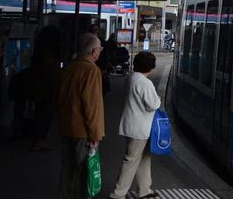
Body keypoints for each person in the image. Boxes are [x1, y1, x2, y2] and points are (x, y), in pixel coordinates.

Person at [57, 33, 105, 199]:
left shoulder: (69, 68)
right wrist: (95, 134)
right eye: (99, 49)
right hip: (83, 131)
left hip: (66, 126)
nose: (100, 52)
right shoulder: (91, 70)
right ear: (93, 51)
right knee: (84, 172)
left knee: (67, 169)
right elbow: (92, 106)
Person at [109, 51, 162, 199]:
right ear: (151, 67)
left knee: (144, 158)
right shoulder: (145, 82)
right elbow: (153, 104)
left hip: (132, 125)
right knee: (131, 161)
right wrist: (158, 99)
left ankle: (145, 189)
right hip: (139, 128)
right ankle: (117, 195)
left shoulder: (131, 78)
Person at [31, 25, 62, 151]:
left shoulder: (38, 51)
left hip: (39, 87)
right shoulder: (49, 55)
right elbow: (51, 73)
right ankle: (38, 141)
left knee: (39, 112)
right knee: (45, 113)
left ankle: (37, 140)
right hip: (47, 88)